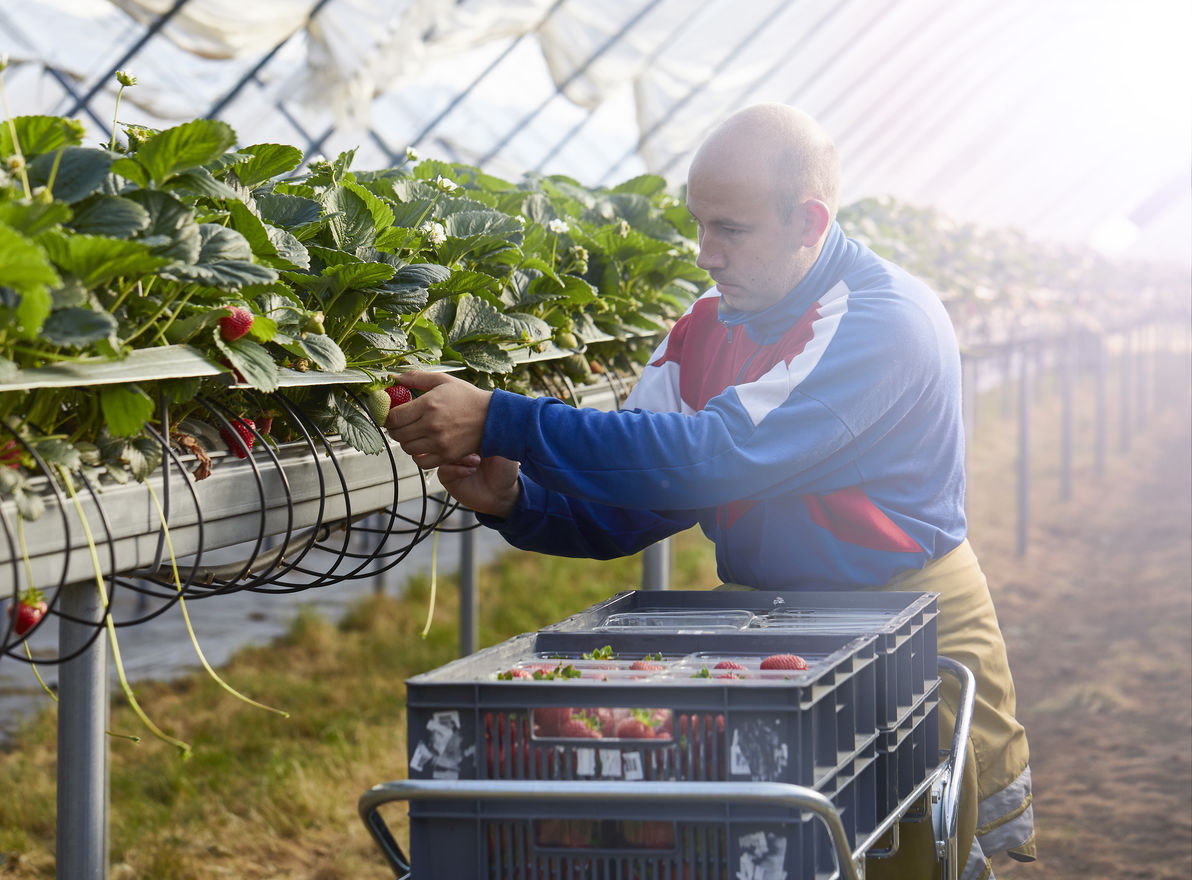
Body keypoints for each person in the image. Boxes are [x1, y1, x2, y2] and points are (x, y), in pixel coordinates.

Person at [385, 104, 1035, 879]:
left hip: (903, 622)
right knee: (783, 849)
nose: (706, 254)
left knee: (905, 851)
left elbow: (715, 458)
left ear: (809, 222)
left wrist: (503, 417)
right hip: (773, 628)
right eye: (699, 225)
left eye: (730, 228)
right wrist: (516, 501)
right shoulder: (704, 328)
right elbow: (640, 497)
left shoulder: (880, 321)